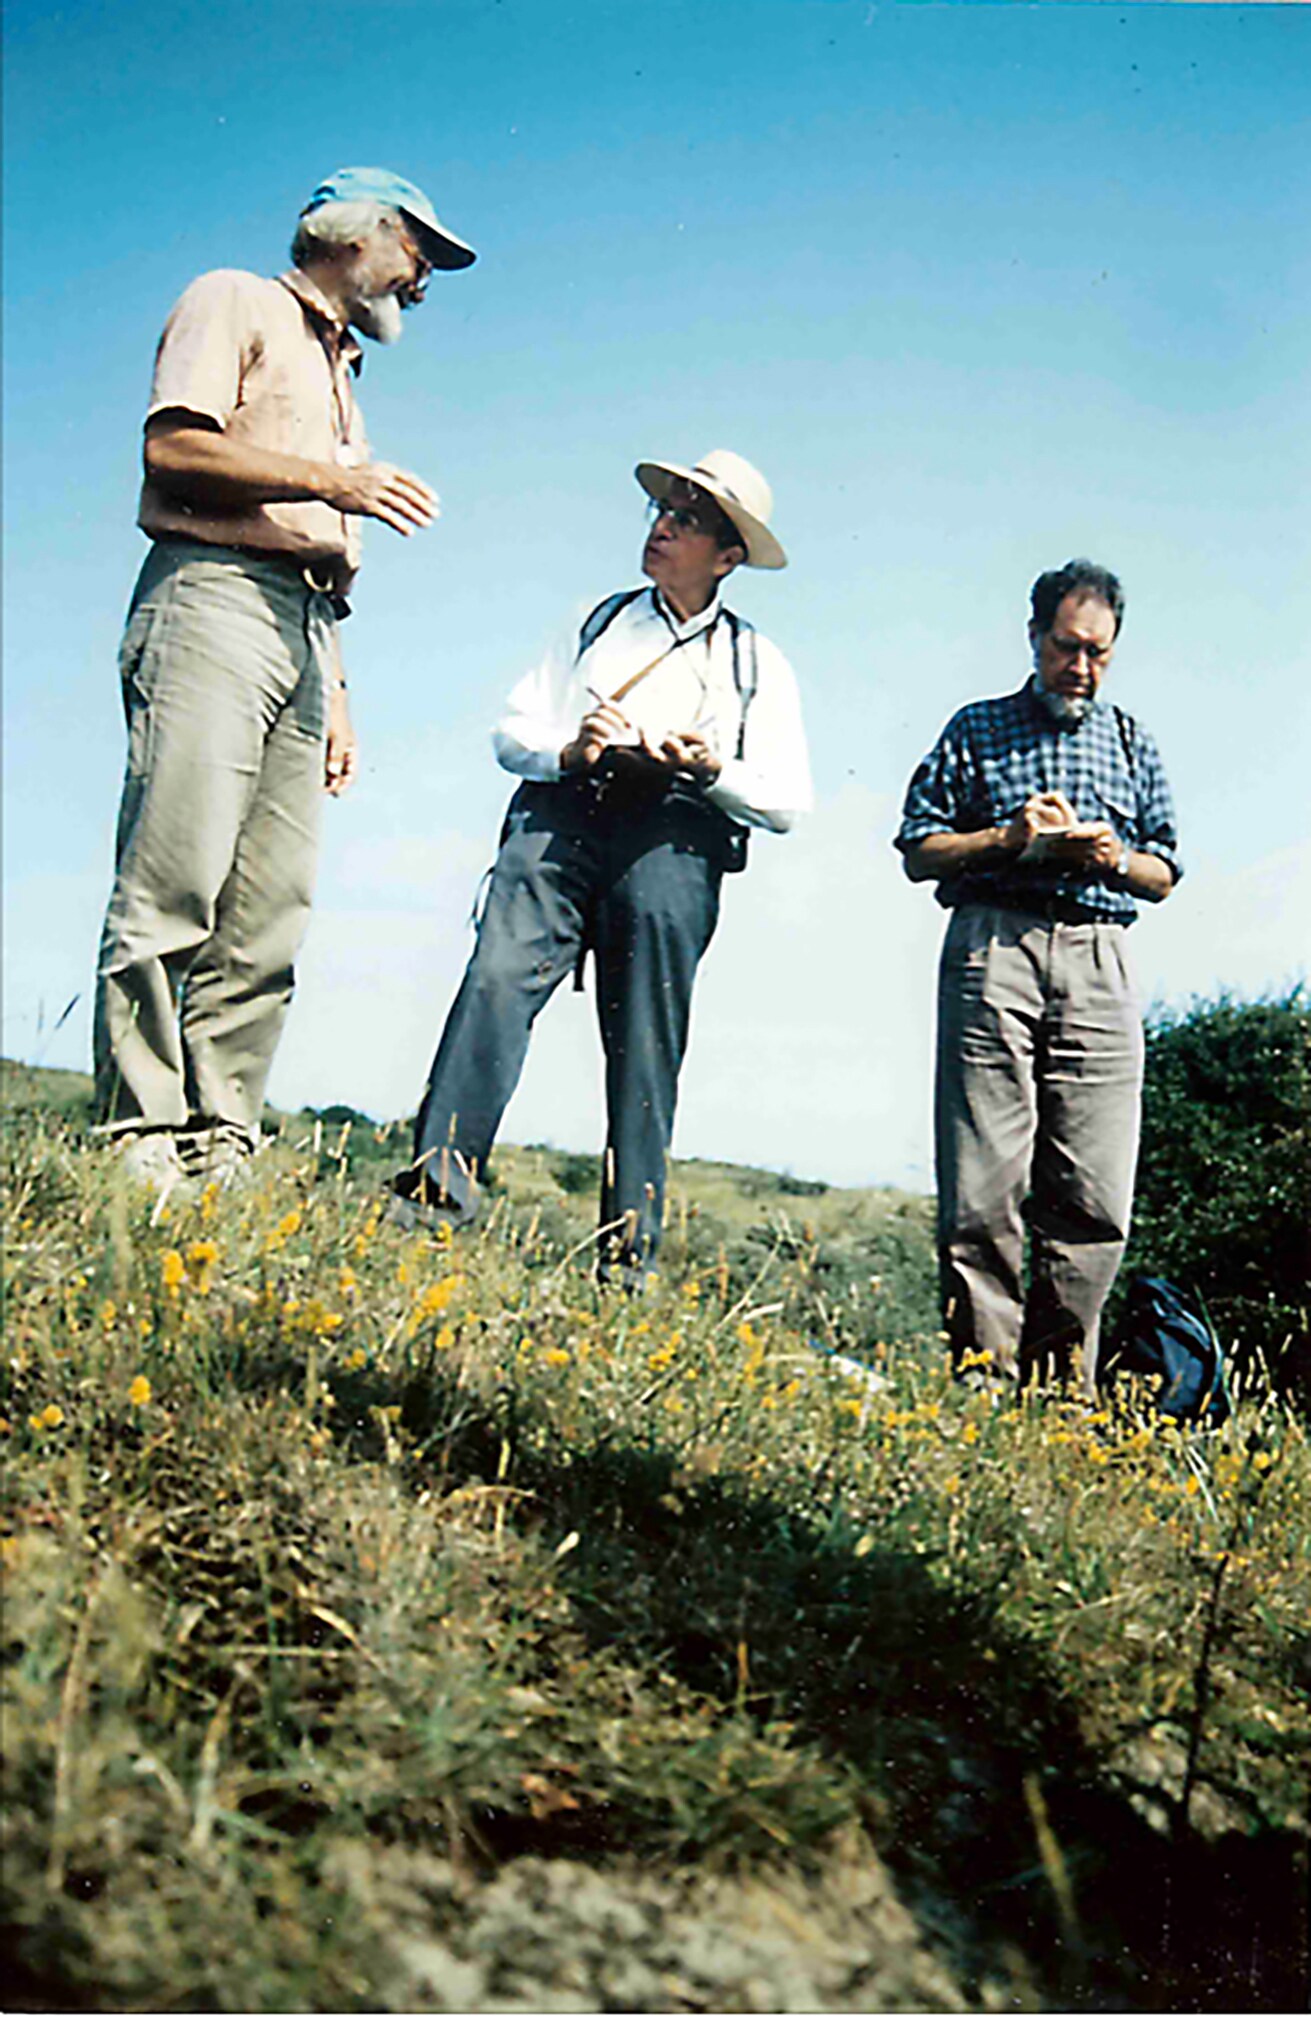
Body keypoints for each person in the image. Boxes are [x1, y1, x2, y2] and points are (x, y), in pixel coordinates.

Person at [94, 166, 476, 1187]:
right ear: (359, 235)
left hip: (305, 632)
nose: (424, 280)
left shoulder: (344, 369)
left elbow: (321, 546)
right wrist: (331, 479)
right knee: (175, 880)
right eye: (419, 252)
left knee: (269, 909)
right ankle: (138, 1140)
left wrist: (337, 687)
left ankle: (221, 1141)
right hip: (212, 597)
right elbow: (173, 445)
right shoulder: (234, 299)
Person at [391, 449, 812, 1281]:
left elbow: (787, 797)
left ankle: (625, 1260)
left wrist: (709, 766)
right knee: (495, 981)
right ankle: (427, 1204)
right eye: (666, 510)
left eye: (688, 520)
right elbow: (515, 729)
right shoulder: (595, 620)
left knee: (646, 1041)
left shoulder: (756, 663)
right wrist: (572, 747)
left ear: (728, 557)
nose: (662, 526)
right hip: (566, 815)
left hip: (674, 836)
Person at [894, 560, 1183, 1391]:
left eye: (1097, 652)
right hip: (994, 946)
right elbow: (918, 848)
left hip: (1100, 950)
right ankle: (981, 1387)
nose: (1080, 667)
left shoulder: (1131, 738)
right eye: (1065, 647)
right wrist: (1005, 838)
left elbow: (1165, 867)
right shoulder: (976, 727)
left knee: (1093, 1194)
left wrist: (1113, 856)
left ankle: (1060, 1399)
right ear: (1033, 636)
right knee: (982, 1186)